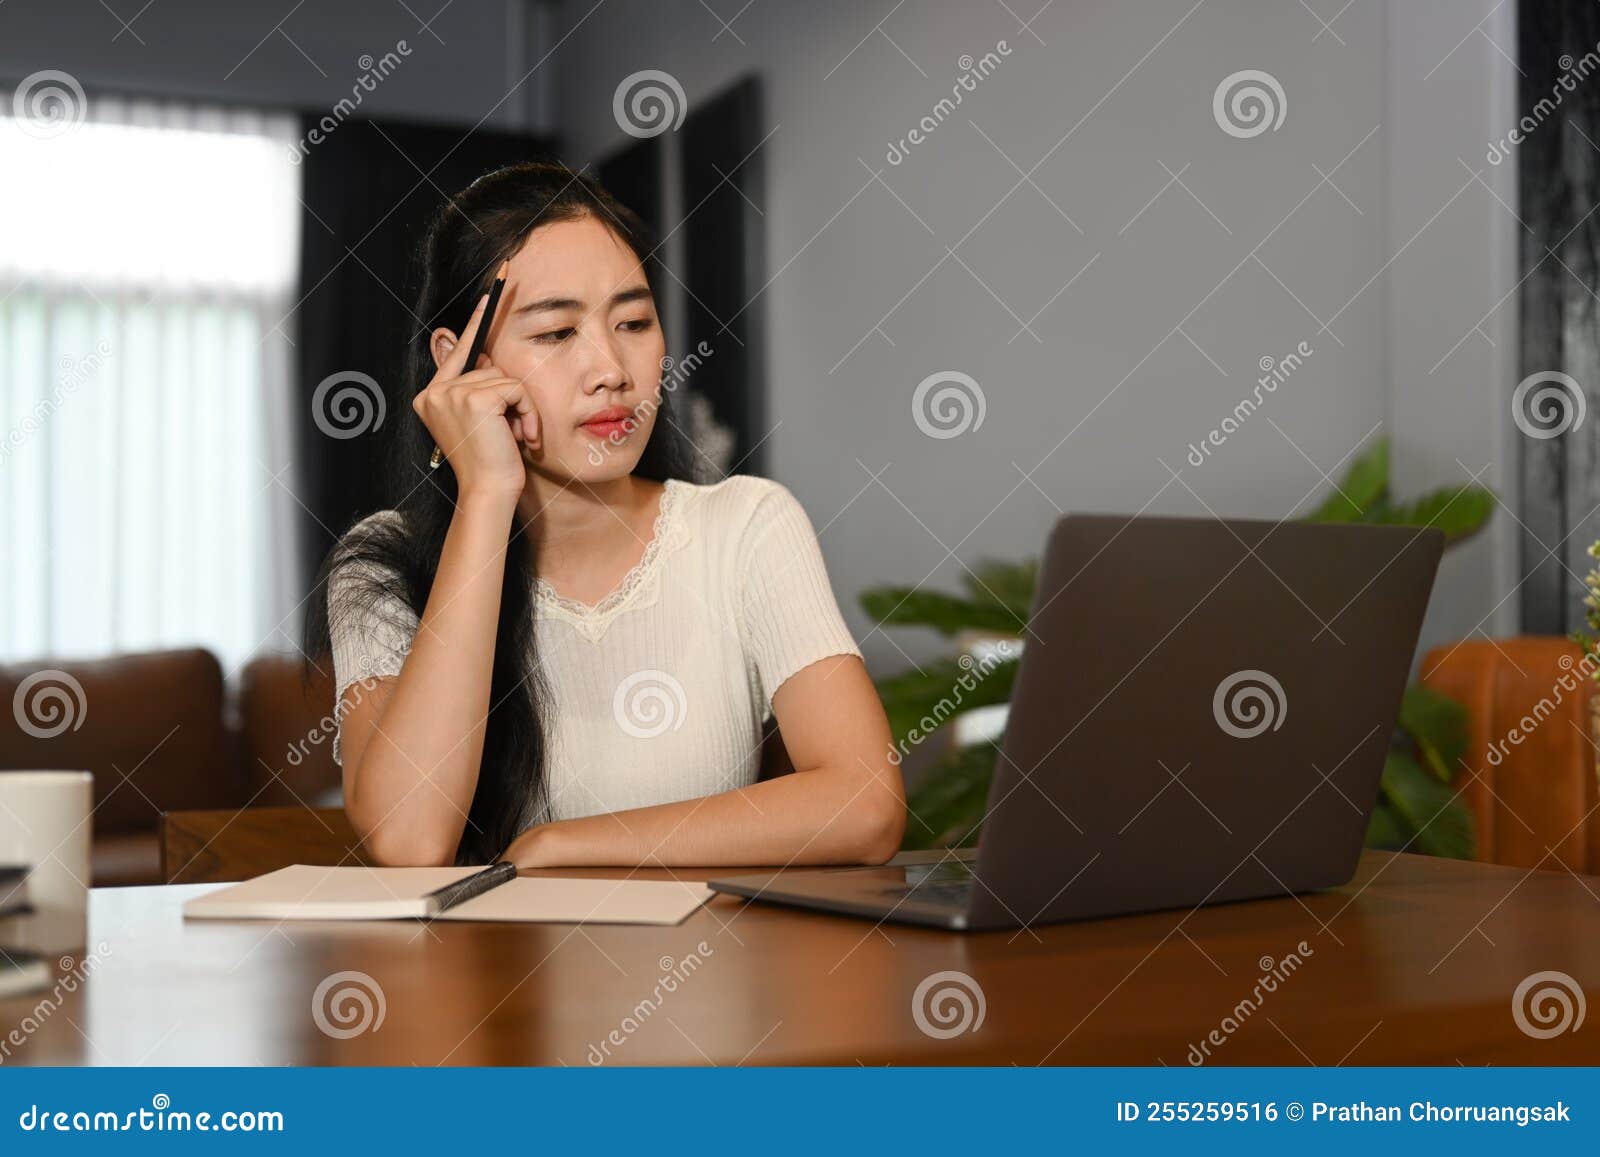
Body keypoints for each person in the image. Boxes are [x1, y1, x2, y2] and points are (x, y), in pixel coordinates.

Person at [302, 161, 905, 870]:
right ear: (458, 363)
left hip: (707, 976)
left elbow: (866, 804)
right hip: (491, 984)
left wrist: (560, 845)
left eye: (634, 321)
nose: (611, 368)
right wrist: (487, 494)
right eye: (556, 333)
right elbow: (410, 837)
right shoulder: (379, 564)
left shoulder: (747, 525)